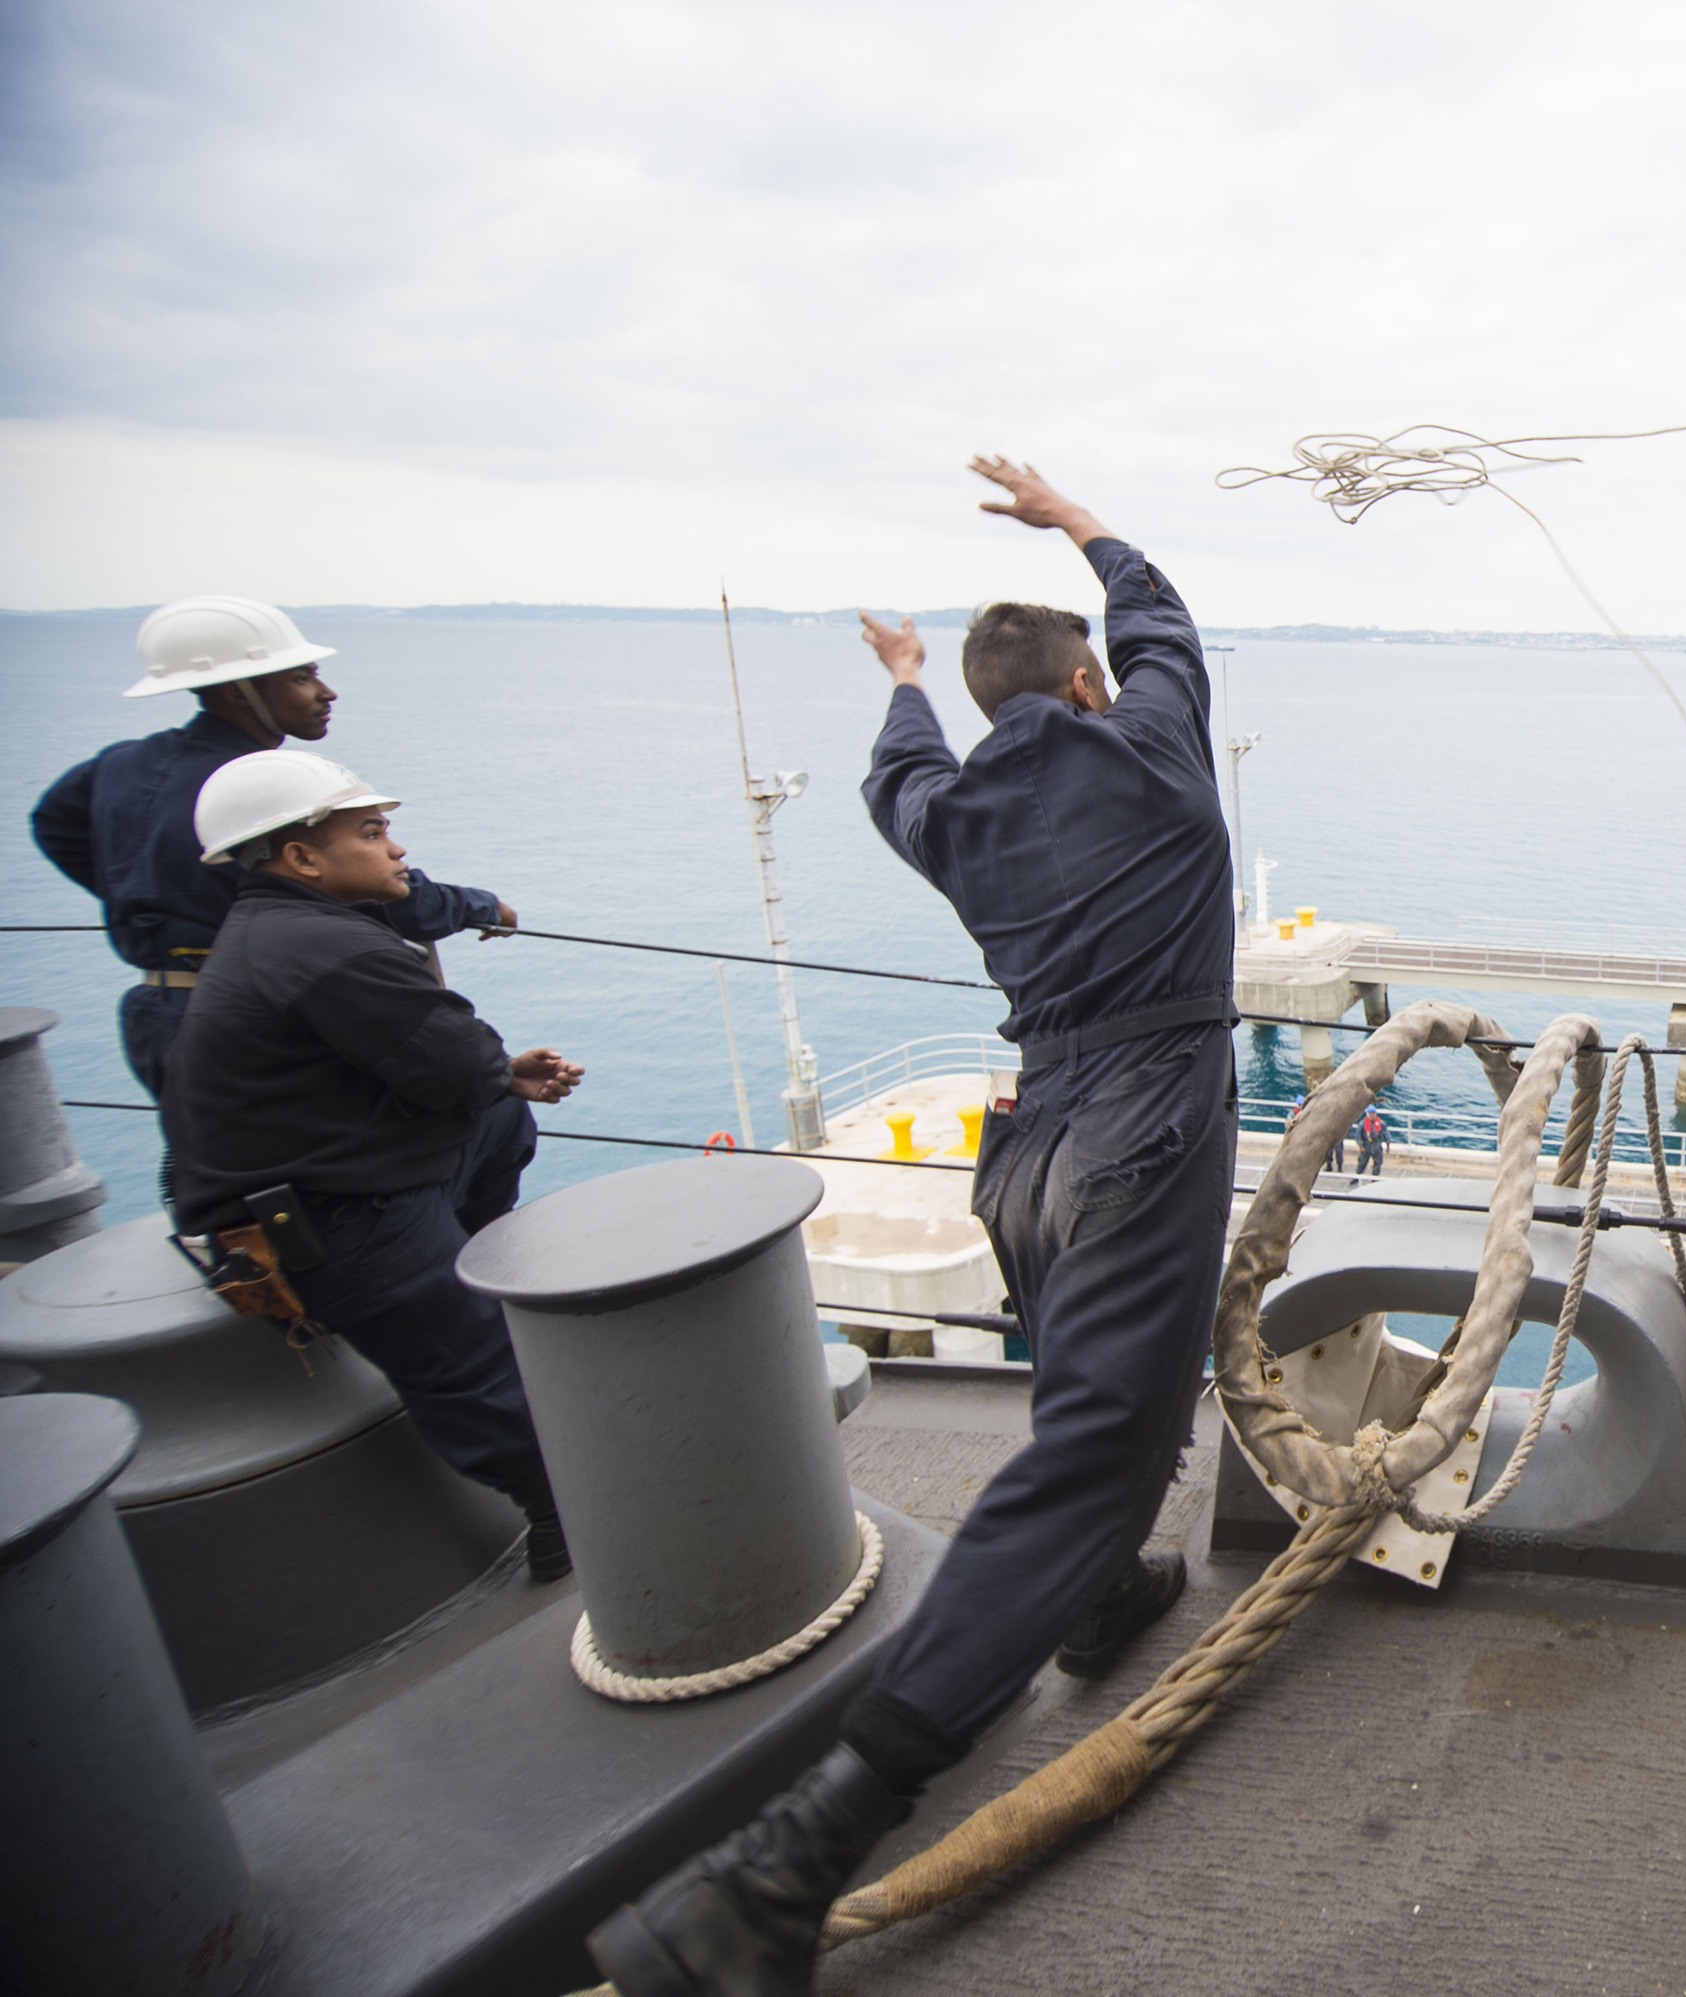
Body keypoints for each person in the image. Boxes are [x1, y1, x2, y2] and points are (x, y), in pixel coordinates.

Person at [587, 457, 1237, 1996]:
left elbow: (902, 771)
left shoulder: (944, 816)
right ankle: (788, 1861)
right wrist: (1076, 519)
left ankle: (1098, 1597)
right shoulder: (1150, 750)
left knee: (1074, 1401)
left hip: (1025, 1153)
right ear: (1088, 686)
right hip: (1147, 1122)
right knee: (1096, 1454)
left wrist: (900, 678)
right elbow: (1165, 620)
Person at [163, 749, 583, 1581]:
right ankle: (565, 1520)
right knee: (480, 1374)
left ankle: (462, 1266)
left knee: (501, 1116)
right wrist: (489, 1070)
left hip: (331, 1180)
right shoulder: (328, 947)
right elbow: (458, 1061)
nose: (396, 849)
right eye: (372, 831)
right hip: (325, 1224)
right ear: (302, 858)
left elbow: (469, 1078)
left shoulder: (281, 928)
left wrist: (502, 1077)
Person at [32, 596, 518, 1098]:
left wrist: (140, 890)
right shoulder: (258, 788)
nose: (326, 692)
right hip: (255, 1016)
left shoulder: (121, 762)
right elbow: (381, 893)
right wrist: (481, 907)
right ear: (239, 692)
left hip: (157, 1007)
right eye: (302, 678)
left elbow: (53, 825)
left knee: (216, 1162)